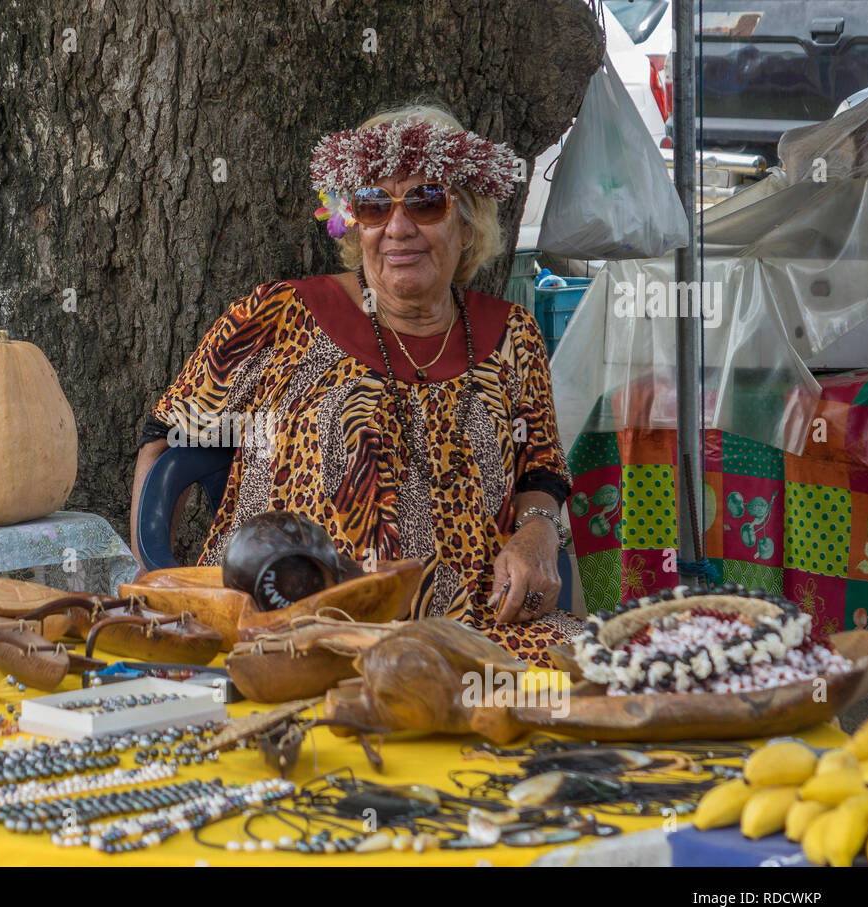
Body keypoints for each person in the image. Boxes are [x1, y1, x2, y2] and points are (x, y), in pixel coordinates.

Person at [132, 104, 582, 666]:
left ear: (467, 223)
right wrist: (154, 592)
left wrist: (539, 532)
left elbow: (540, 469)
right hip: (292, 628)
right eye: (374, 205)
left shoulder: (512, 334)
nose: (398, 227)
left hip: (476, 632)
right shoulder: (278, 316)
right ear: (355, 221)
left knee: (592, 684)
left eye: (425, 201)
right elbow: (167, 436)